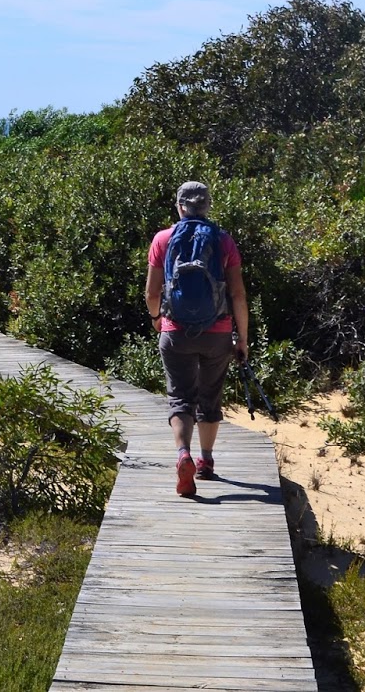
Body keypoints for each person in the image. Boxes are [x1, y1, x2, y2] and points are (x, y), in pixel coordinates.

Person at [144, 181, 249, 498]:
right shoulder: (223, 240)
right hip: (217, 332)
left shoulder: (163, 239)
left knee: (180, 398)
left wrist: (156, 320)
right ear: (207, 206)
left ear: (179, 206)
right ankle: (205, 461)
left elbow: (152, 293)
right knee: (210, 396)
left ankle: (182, 455)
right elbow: (238, 295)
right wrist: (241, 339)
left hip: (175, 331)